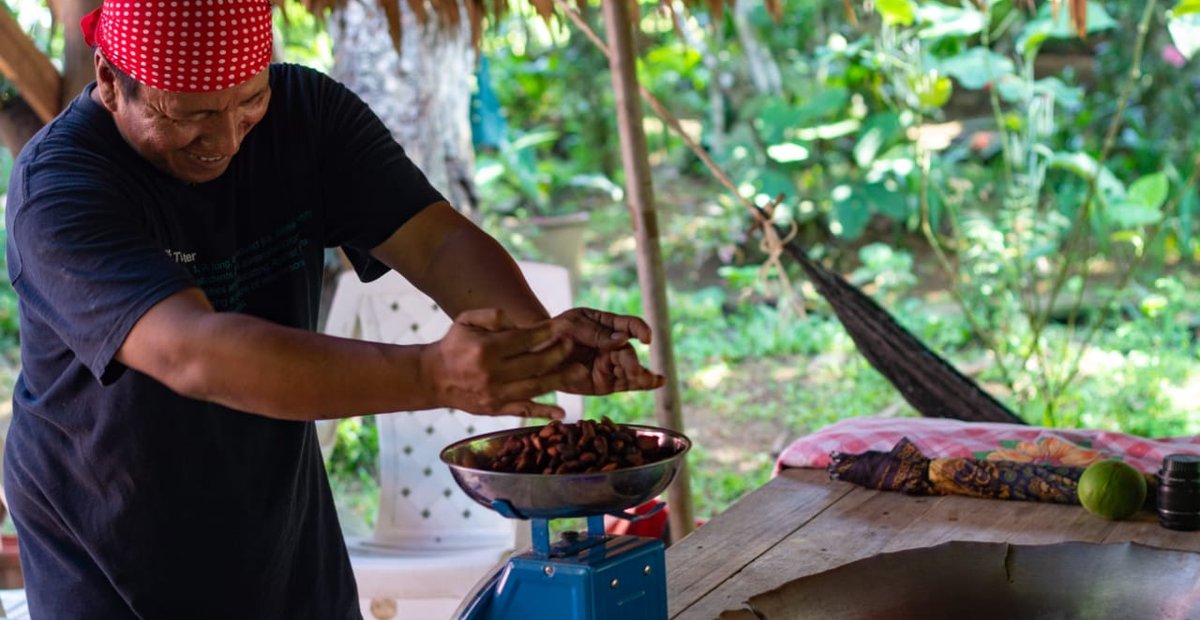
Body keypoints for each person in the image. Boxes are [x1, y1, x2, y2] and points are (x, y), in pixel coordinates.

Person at [2, 0, 665, 617]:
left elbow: (434, 243)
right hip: (111, 540)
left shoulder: (305, 115)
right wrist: (433, 376)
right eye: (187, 116)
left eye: (249, 101)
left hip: (277, 521)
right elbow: (193, 352)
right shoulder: (59, 188)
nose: (226, 139)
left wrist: (535, 341)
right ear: (112, 80)